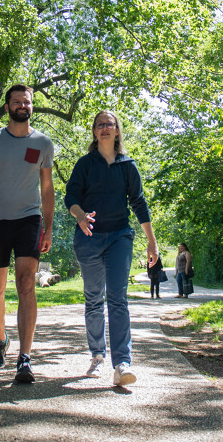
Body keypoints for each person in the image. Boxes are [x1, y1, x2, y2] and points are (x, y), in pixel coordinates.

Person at [0, 84, 55, 383]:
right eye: (16, 101)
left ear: (32, 106)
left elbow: (47, 188)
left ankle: (25, 358)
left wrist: (49, 226)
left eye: (26, 101)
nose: (22, 105)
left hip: (28, 220)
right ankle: (1, 340)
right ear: (7, 107)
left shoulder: (43, 143)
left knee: (26, 284)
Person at [65, 110, 159, 387]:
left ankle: (122, 363)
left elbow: (139, 203)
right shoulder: (85, 164)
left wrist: (151, 241)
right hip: (89, 238)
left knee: (118, 299)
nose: (105, 128)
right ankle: (97, 356)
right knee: (94, 299)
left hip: (120, 236)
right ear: (94, 132)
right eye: (100, 125)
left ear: (117, 131)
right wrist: (80, 215)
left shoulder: (128, 165)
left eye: (110, 124)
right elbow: (70, 196)